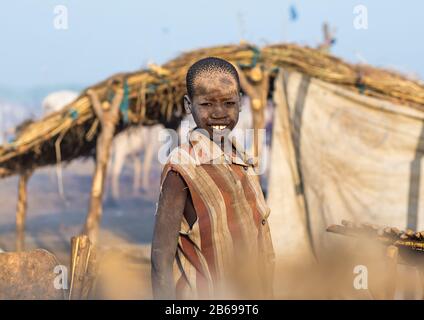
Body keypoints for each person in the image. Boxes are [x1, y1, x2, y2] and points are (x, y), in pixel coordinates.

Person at [151, 57, 275, 299]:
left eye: (228, 103)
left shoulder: (242, 160)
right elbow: (159, 260)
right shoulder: (182, 169)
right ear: (189, 105)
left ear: (240, 103)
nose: (219, 113)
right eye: (207, 104)